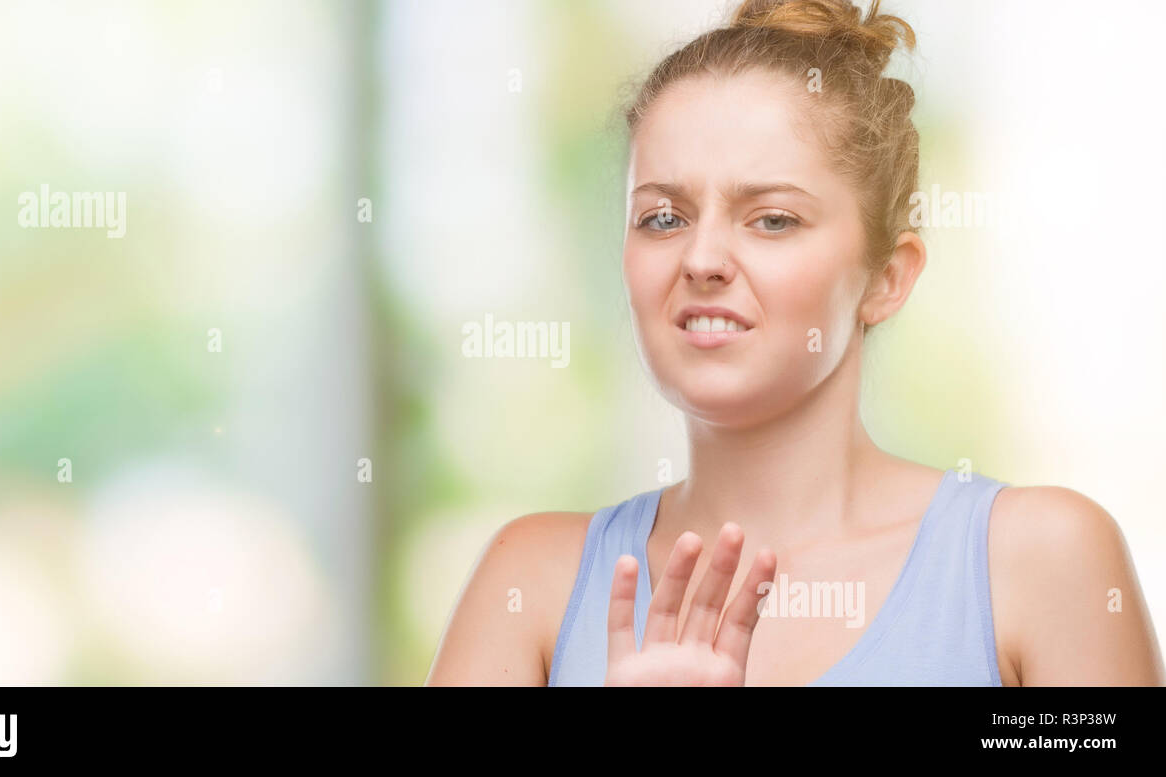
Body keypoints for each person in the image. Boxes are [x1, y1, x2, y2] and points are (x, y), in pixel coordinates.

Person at [425, 0, 1165, 686]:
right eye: (662, 217)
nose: (702, 258)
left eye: (772, 218)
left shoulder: (1042, 561)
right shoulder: (527, 587)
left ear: (888, 276)